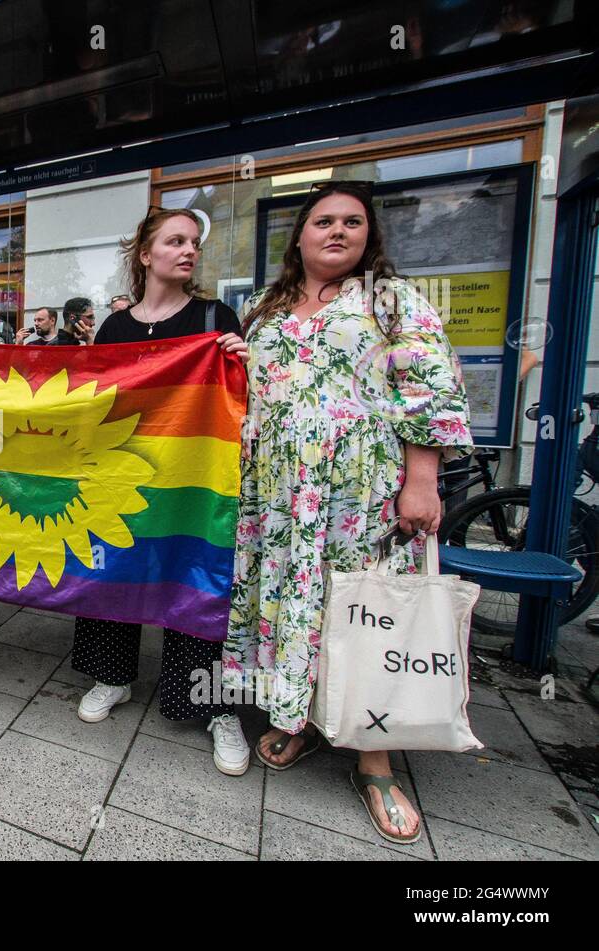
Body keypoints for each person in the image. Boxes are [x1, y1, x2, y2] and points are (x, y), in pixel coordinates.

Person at [222, 181, 472, 844]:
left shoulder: (390, 302)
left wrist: (422, 480)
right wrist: (234, 364)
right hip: (281, 498)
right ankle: (296, 717)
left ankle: (376, 759)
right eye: (324, 220)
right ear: (299, 235)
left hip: (361, 495)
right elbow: (266, 391)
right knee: (294, 606)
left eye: (352, 222)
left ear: (369, 236)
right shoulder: (266, 310)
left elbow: (431, 390)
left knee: (365, 612)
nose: (338, 231)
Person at [67, 209, 252, 776]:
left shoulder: (214, 317)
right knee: (113, 570)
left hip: (191, 480)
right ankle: (113, 676)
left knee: (195, 577)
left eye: (194, 242)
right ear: (145, 255)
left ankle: (217, 707)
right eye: (175, 241)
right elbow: (95, 403)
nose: (188, 250)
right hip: (124, 476)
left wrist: (246, 367)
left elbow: (241, 401)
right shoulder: (115, 329)